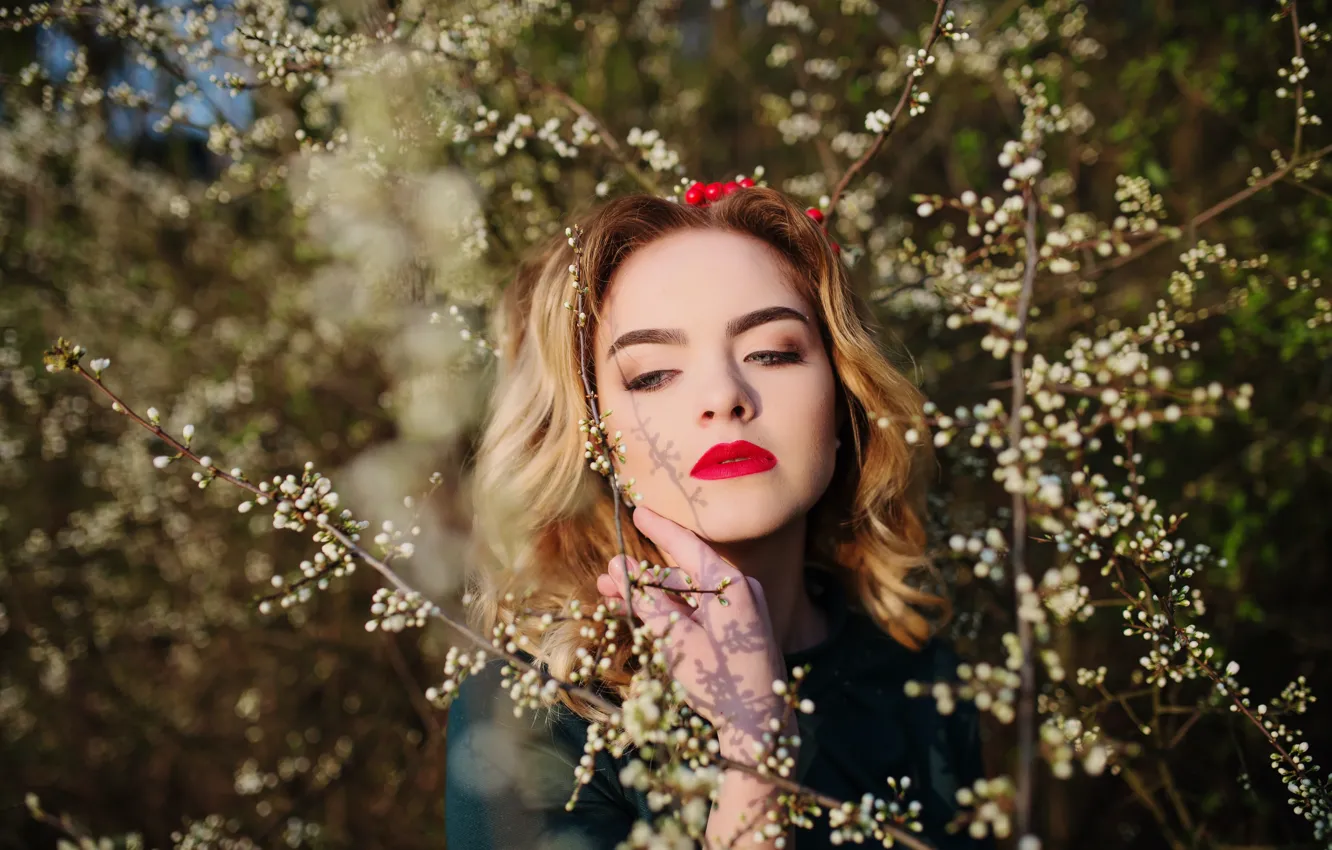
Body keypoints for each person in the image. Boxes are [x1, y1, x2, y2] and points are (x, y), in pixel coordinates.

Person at [445, 184, 992, 849]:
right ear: (592, 436)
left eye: (771, 353)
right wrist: (755, 752)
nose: (724, 397)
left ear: (845, 395)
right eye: (651, 374)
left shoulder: (920, 676)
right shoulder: (538, 709)